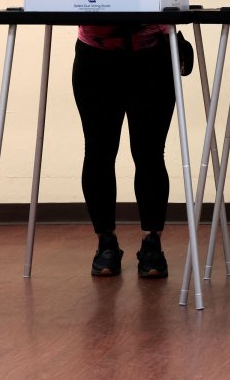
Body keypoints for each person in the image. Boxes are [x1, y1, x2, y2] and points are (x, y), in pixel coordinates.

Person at [73, 24, 176, 278]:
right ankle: (105, 242)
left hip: (151, 55)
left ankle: (152, 243)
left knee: (150, 153)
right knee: (99, 151)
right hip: (96, 55)